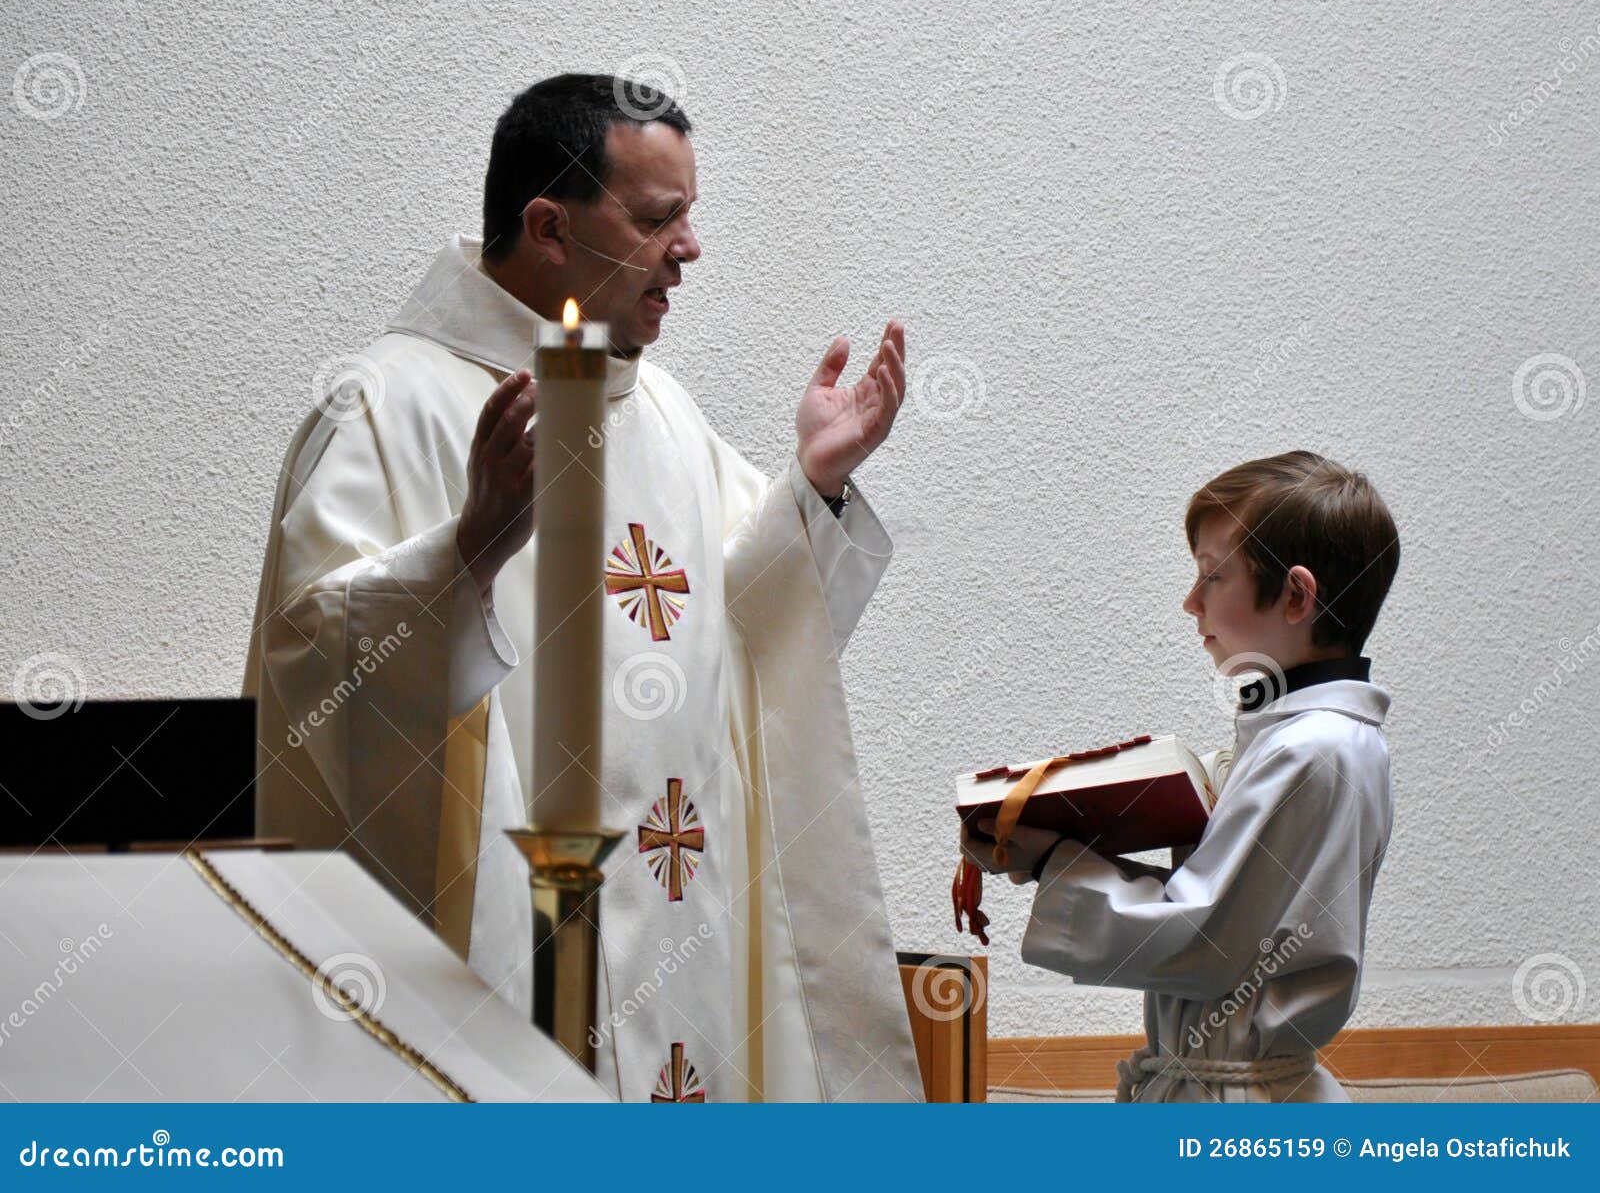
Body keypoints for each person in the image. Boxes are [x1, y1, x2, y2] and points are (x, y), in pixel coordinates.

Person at [244, 73, 921, 1102]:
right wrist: (464, 555)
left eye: (689, 215)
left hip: (683, 930)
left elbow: (742, 625)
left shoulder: (665, 414)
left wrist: (812, 488)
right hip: (510, 940)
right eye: (660, 219)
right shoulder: (389, 404)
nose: (689, 250)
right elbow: (311, 662)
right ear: (549, 227)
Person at [961, 451, 1400, 1102]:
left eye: (1212, 577)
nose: (1190, 601)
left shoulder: (1314, 751)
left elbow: (1203, 941)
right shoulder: (1307, 740)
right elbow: (1236, 925)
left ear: (1295, 596)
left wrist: (1058, 859)